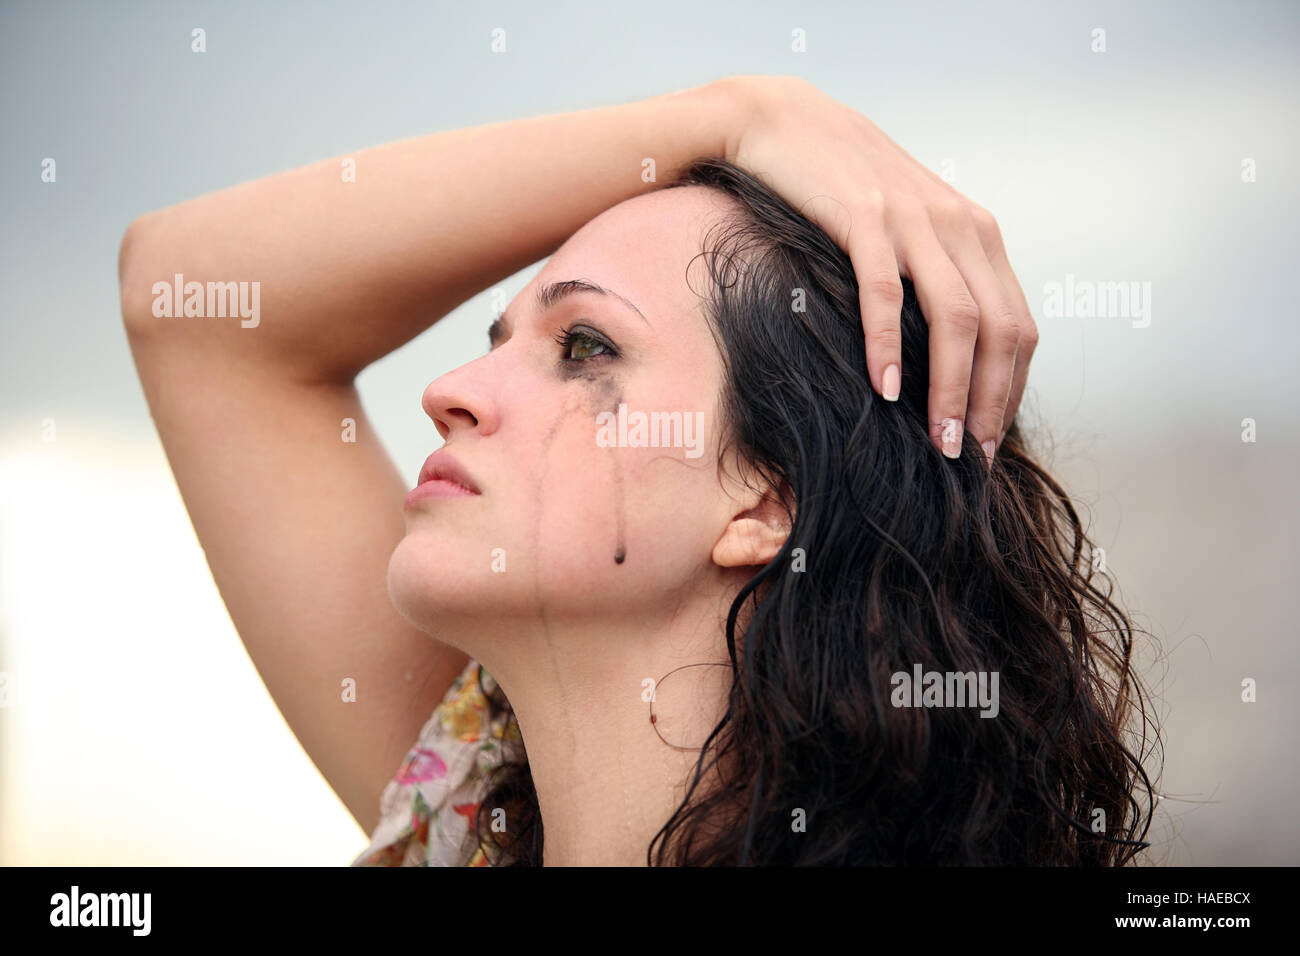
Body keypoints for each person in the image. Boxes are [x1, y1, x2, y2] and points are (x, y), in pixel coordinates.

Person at [117, 75, 1160, 866]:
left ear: (767, 495)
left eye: (582, 346)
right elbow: (191, 299)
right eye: (496, 335)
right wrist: (737, 114)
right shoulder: (474, 810)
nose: (448, 387)